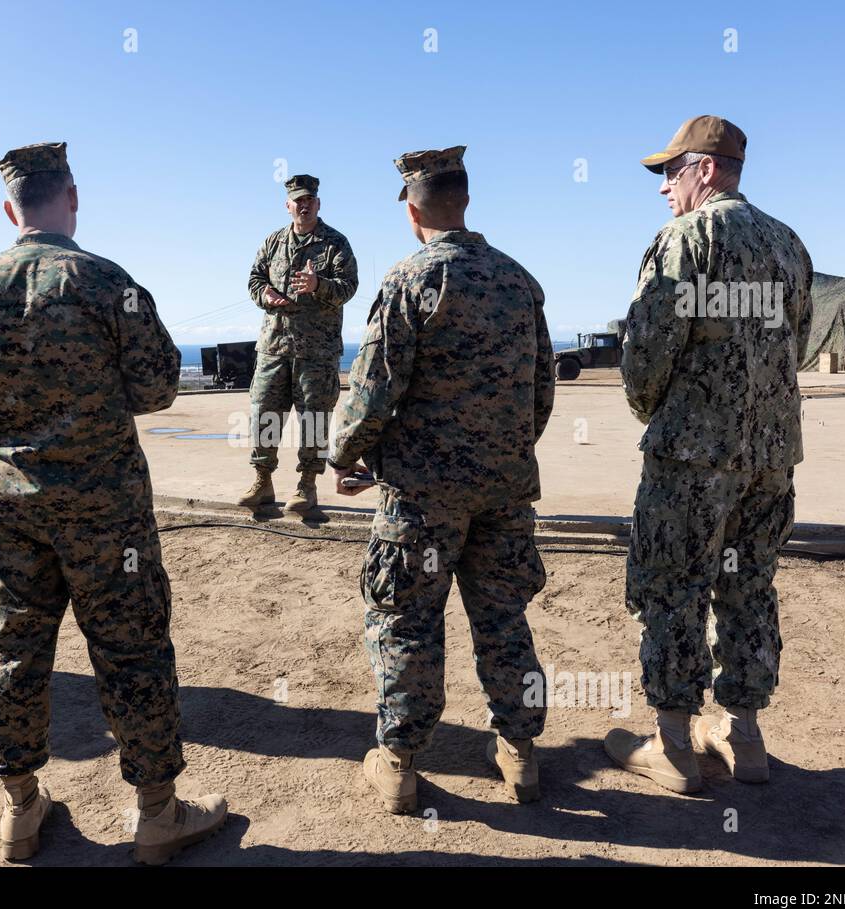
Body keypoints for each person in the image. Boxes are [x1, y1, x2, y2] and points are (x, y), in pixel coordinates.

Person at [0, 142, 227, 863]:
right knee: (132, 649)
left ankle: (20, 810)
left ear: (12, 209)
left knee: (12, 648)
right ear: (72, 197)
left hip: (12, 509)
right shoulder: (107, 283)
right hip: (107, 512)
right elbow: (160, 385)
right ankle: (158, 813)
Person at [329, 146, 555, 813]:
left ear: (413, 209)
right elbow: (541, 391)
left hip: (422, 498)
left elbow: (372, 392)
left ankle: (398, 762)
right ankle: (520, 753)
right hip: (504, 489)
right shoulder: (519, 282)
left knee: (405, 620)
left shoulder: (409, 282)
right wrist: (501, 452)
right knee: (503, 617)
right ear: (464, 200)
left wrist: (348, 454)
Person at [604, 116, 814, 793]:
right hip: (770, 457)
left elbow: (644, 356)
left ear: (706, 168)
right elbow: (798, 343)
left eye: (671, 171)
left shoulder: (686, 238)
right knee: (748, 585)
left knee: (670, 587)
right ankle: (743, 735)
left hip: (693, 460)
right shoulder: (789, 244)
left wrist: (659, 414)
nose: (663, 187)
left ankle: (672, 745)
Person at [239, 173, 358, 512]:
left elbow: (347, 287)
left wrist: (318, 284)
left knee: (313, 420)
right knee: (263, 415)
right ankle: (262, 482)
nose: (303, 205)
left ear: (318, 204)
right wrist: (264, 294)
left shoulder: (336, 243)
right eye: (298, 201)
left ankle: (307, 485)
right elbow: (254, 278)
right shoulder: (273, 241)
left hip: (316, 353)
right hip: (273, 347)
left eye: (310, 200)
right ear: (288, 205)